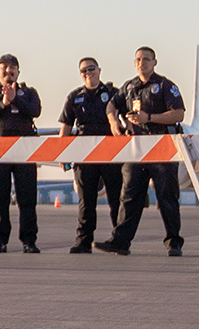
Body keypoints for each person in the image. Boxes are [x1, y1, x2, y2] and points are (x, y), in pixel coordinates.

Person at [96, 46, 187, 256]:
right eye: (138, 59)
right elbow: (111, 105)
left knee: (167, 196)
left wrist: (150, 118)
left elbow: (178, 114)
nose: (142, 63)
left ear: (155, 62)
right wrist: (113, 123)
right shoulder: (129, 87)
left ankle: (174, 242)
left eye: (146, 59)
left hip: (161, 147)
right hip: (136, 148)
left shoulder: (165, 86)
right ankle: (120, 241)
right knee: (129, 196)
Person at [0, 54, 42, 252]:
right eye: (4, 68)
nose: (8, 71)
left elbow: (35, 110)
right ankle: (0, 240)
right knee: (0, 197)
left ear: (18, 72)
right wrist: (3, 103)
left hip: (24, 150)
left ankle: (29, 241)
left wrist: (16, 101)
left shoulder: (29, 92)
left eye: (12, 68)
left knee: (27, 197)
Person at [58, 57, 121, 253]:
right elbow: (66, 128)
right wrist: (63, 154)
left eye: (91, 68)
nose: (88, 73)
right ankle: (83, 242)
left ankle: (119, 241)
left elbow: (128, 118)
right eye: (83, 70)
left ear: (99, 70)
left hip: (111, 153)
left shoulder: (113, 94)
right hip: (84, 155)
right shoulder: (74, 97)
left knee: (116, 199)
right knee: (86, 201)